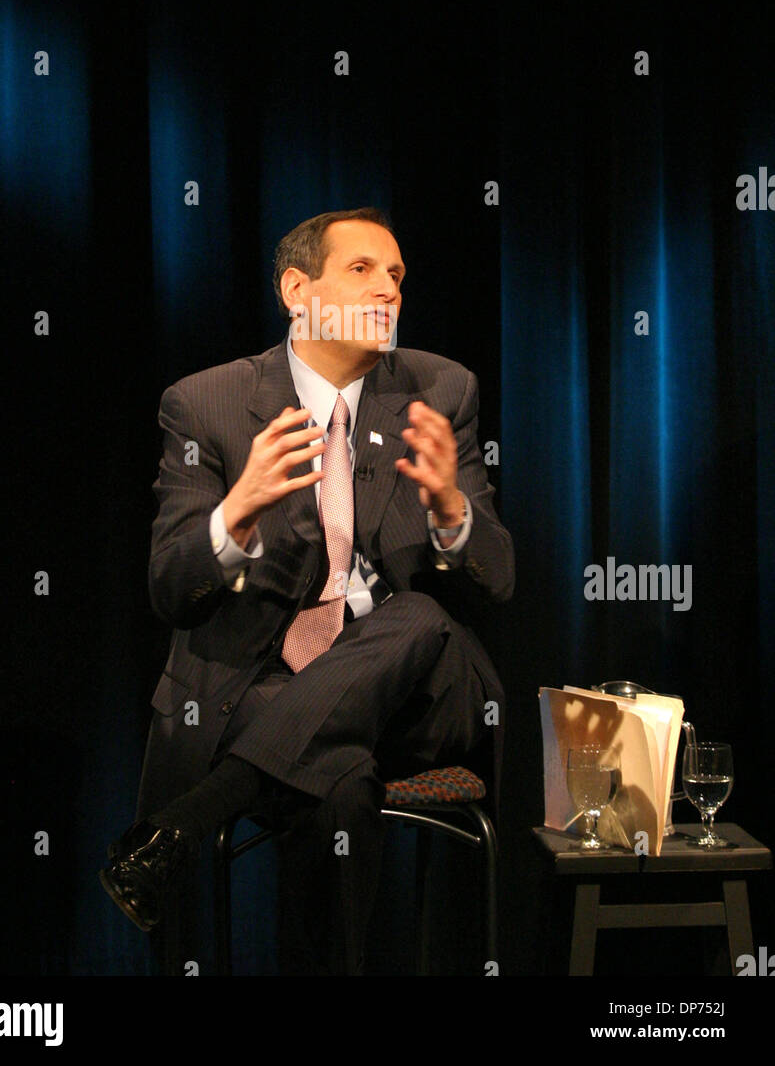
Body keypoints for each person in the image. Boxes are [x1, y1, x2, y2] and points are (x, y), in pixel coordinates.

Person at [100, 206, 514, 974]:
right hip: (256, 689)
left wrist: (454, 514)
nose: (387, 289)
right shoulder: (206, 404)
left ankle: (185, 824)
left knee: (418, 613)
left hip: (418, 698)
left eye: (395, 275)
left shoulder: (438, 390)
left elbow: (499, 579)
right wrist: (235, 515)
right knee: (337, 788)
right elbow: (170, 591)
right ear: (298, 289)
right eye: (361, 270)